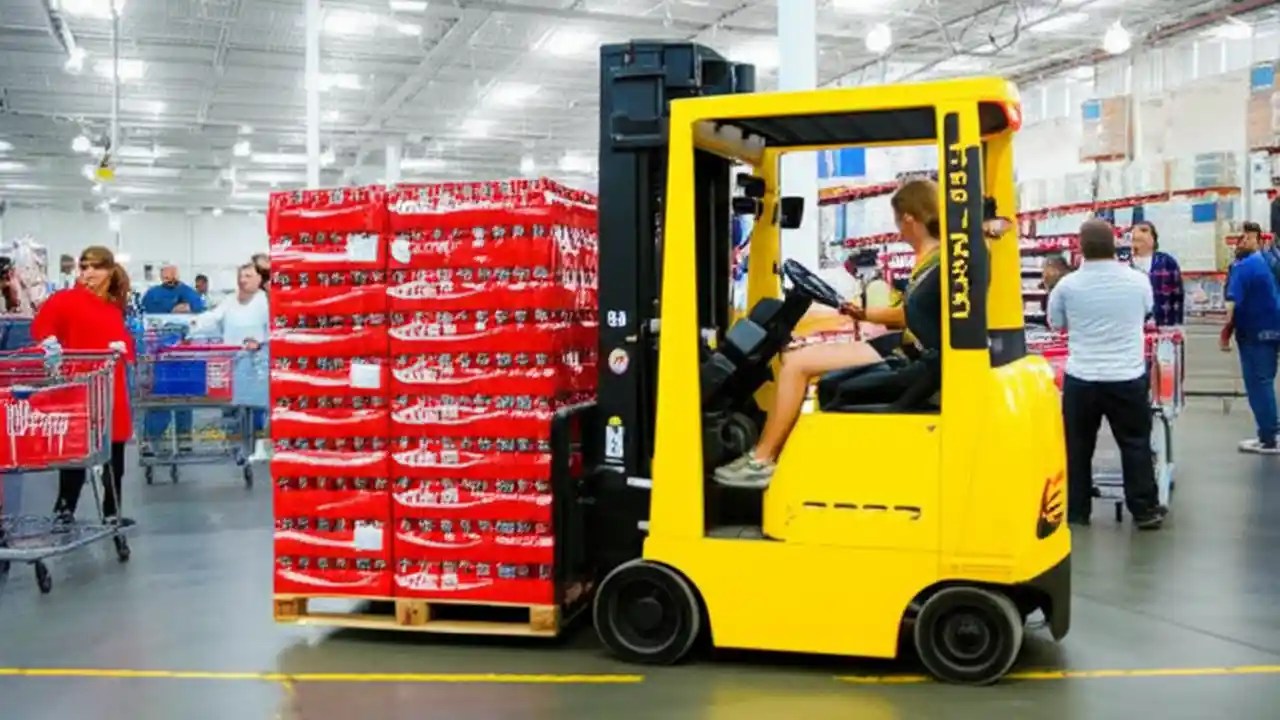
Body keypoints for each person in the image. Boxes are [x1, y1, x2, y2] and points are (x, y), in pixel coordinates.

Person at [715, 179, 944, 489]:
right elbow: (910, 314)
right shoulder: (932, 262)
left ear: (909, 218)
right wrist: (864, 314)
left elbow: (914, 315)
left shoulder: (938, 265)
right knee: (798, 358)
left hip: (917, 360)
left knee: (796, 366)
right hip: (909, 350)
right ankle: (765, 451)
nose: (898, 231)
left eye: (897, 221)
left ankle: (762, 460)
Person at [1048, 218, 1165, 530]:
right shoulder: (1138, 281)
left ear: (1080, 247)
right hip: (1126, 376)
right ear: (1114, 245)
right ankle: (1144, 509)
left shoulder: (1067, 286)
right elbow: (1147, 312)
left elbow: (1056, 323)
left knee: (1078, 446)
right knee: (1135, 443)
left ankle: (1076, 510)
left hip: (1083, 377)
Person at [30, 246, 136, 527]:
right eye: (84, 267)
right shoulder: (64, 300)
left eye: (96, 267)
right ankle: (65, 508)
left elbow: (125, 342)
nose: (89, 273)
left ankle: (112, 510)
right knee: (75, 452)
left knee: (115, 455)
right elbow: (43, 327)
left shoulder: (114, 306)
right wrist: (49, 343)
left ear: (110, 270)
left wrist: (125, 349)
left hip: (112, 388)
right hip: (77, 387)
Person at [190, 263, 271, 460]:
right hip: (232, 362)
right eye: (241, 276)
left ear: (260, 279)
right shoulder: (229, 300)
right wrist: (192, 323)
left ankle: (258, 446)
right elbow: (213, 317)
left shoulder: (265, 302)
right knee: (232, 406)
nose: (243, 280)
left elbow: (273, 328)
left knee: (257, 407)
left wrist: (260, 343)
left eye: (249, 276)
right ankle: (236, 446)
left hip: (257, 363)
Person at [1220, 228, 1280, 454]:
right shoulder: (1270, 261)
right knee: (1266, 381)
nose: (1240, 242)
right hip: (1274, 327)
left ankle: (1269, 437)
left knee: (1258, 384)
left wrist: (1225, 333)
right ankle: (1272, 432)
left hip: (1255, 332)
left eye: (1245, 238)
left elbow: (1232, 304)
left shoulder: (1243, 267)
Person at [1129, 221, 1184, 327]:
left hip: (1163, 325)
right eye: (1134, 231)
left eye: (1144, 230)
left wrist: (1178, 326)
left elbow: (1178, 297)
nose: (1138, 234)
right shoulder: (1123, 264)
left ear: (1153, 239)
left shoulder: (1167, 262)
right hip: (1132, 328)